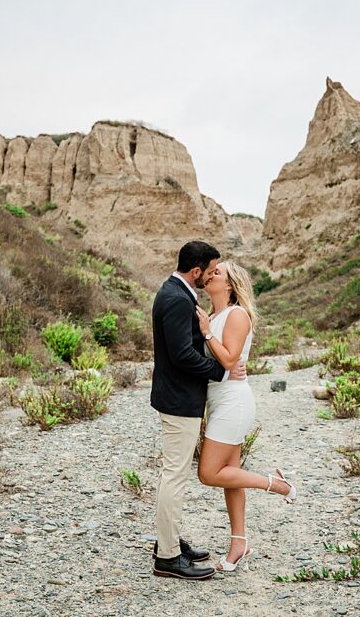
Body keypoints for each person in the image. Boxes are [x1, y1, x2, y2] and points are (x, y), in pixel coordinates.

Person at [150, 241, 248, 580]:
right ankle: (168, 557)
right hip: (179, 401)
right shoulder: (177, 299)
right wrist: (221, 371)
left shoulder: (177, 294)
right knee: (175, 475)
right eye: (209, 270)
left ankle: (170, 542)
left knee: (174, 473)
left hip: (181, 399)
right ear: (196, 271)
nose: (209, 277)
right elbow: (182, 356)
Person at [195, 261, 297, 573]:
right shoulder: (214, 316)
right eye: (211, 271)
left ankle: (275, 483)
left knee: (208, 473)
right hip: (219, 400)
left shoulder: (236, 315)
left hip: (233, 401)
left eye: (218, 272)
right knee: (230, 473)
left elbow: (229, 359)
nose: (211, 274)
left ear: (229, 285)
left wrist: (205, 332)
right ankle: (239, 543)